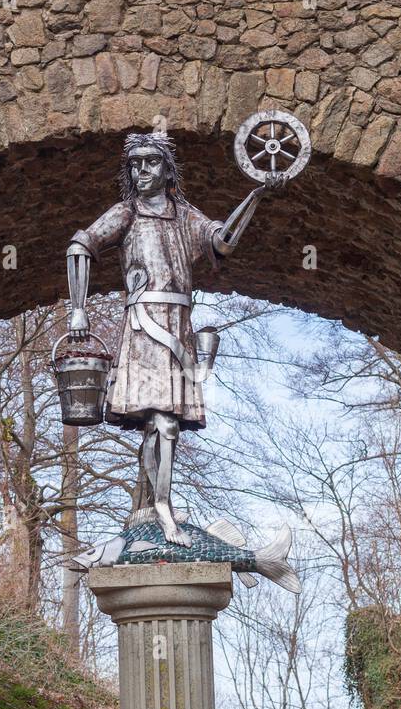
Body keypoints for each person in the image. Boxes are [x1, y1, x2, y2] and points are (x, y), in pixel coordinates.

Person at [66, 131, 282, 545]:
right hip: (145, 323)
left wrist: (256, 195)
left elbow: (223, 242)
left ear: (167, 169)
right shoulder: (126, 213)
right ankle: (163, 508)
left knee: (163, 427)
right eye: (135, 164)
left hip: (179, 324)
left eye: (150, 162)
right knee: (163, 423)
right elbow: (81, 244)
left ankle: (155, 502)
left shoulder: (184, 215)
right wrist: (79, 308)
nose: (141, 170)